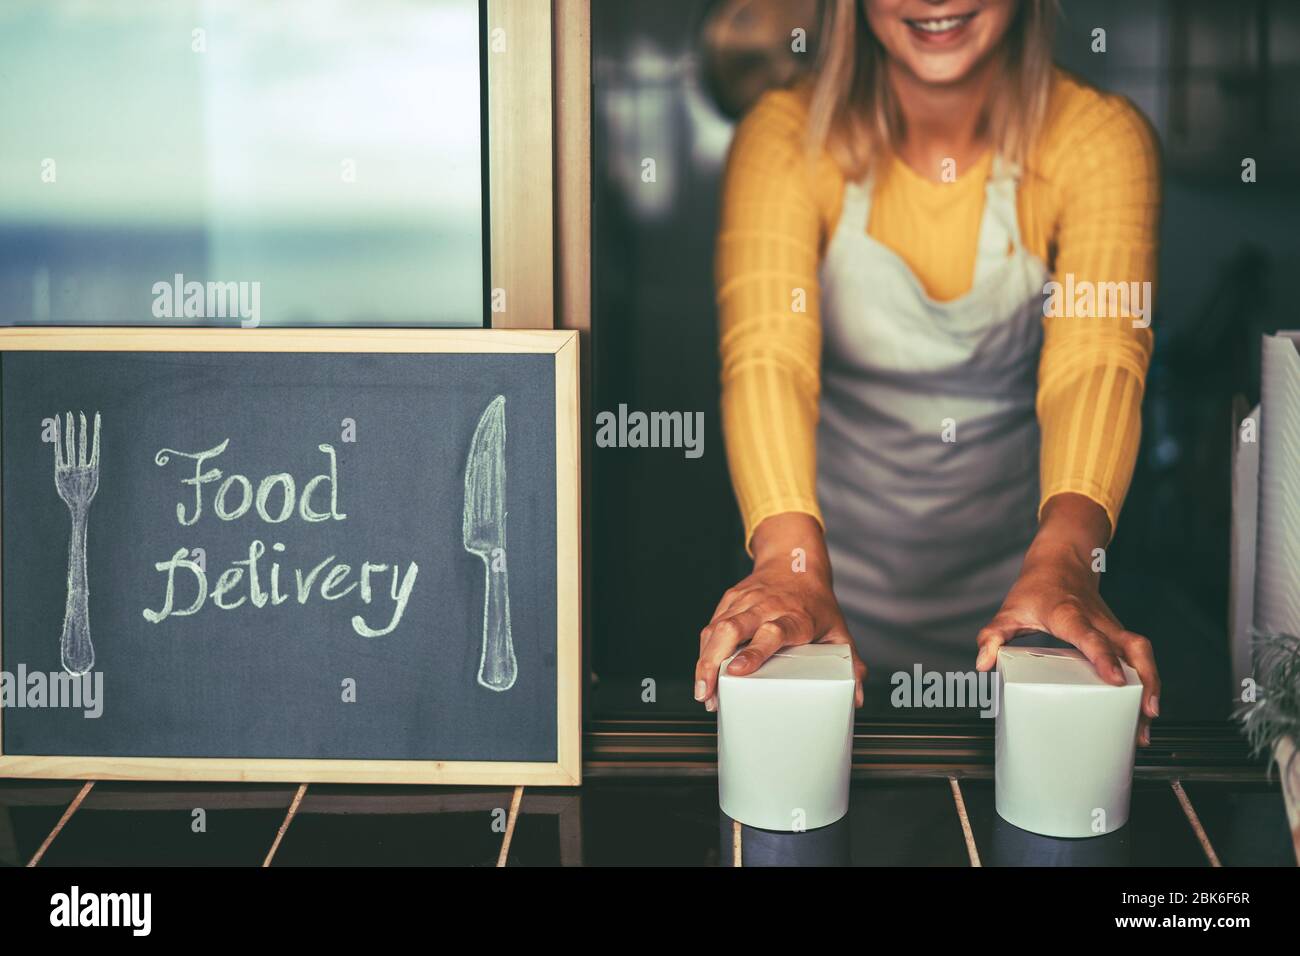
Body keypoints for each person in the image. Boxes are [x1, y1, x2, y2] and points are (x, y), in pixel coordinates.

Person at [695, 0, 1161, 744]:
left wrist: (1070, 558)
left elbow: (1097, 357)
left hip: (1030, 609)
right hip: (819, 606)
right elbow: (767, 356)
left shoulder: (1099, 139)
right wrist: (787, 563)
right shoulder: (784, 137)